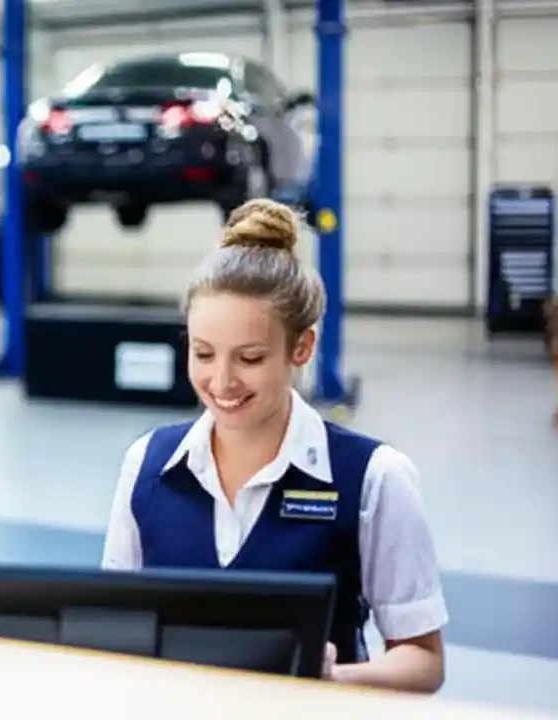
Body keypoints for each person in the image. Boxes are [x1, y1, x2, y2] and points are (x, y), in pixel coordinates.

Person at [101, 199, 447, 693]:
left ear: (301, 348)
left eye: (250, 357)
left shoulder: (373, 477)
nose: (222, 381)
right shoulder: (147, 466)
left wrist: (331, 678)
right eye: (203, 354)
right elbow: (115, 627)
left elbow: (423, 661)